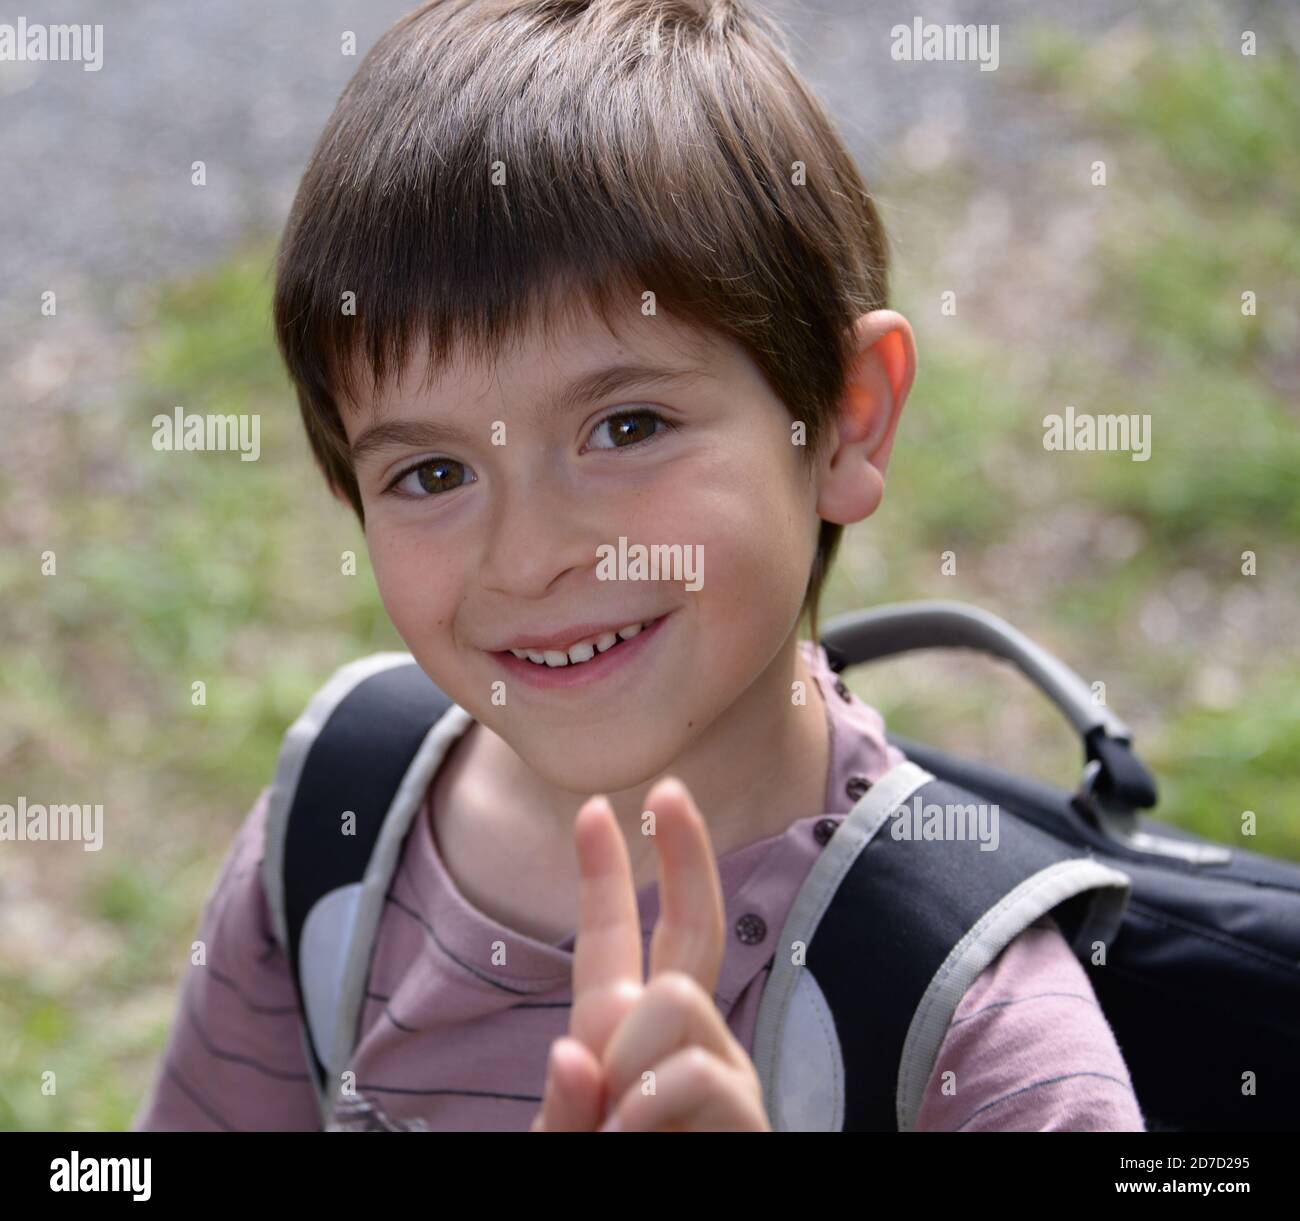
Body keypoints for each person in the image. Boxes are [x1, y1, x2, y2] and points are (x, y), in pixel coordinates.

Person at [133, 0, 1145, 1132]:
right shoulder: (335, 824)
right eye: (431, 474)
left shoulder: (976, 1030)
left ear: (846, 422)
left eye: (626, 428)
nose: (528, 558)